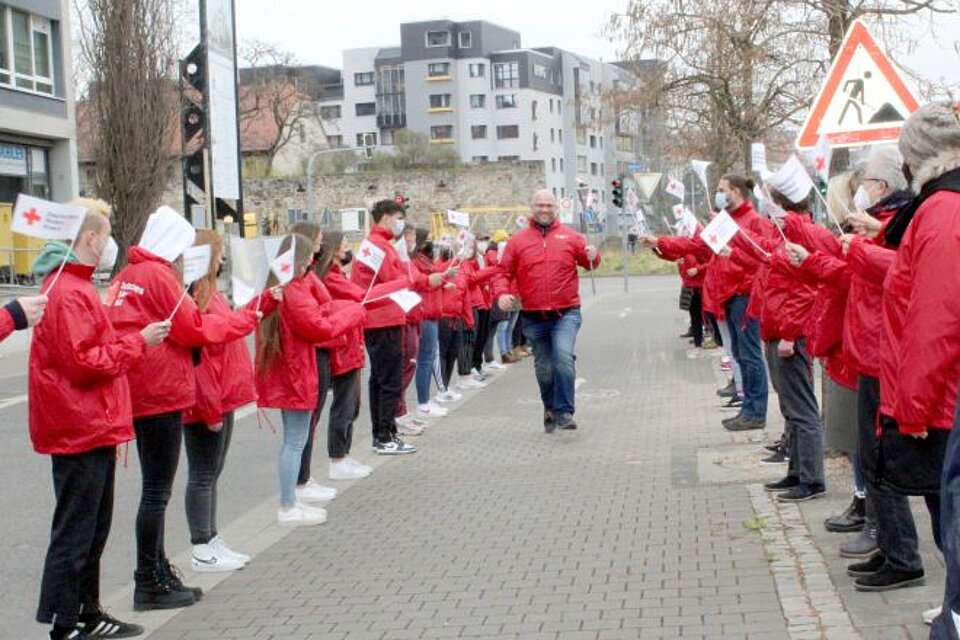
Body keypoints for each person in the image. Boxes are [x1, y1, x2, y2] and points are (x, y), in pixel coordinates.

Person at [30, 198, 169, 640]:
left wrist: (127, 339)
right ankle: (65, 621)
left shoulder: (75, 287)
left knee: (93, 528)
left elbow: (88, 349)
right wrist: (138, 343)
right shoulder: (68, 291)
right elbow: (82, 363)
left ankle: (87, 613)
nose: (111, 243)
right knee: (77, 530)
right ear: (89, 238)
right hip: (78, 427)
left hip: (90, 424)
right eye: (106, 235)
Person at [108, 206, 258, 611]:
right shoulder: (158, 276)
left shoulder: (126, 275)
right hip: (162, 391)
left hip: (141, 389)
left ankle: (157, 571)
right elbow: (196, 329)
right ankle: (149, 580)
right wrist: (248, 320)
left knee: (156, 490)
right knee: (157, 492)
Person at [885, 102, 960, 638]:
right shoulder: (940, 209)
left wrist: (911, 407)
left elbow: (935, 320)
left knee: (951, 525)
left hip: (942, 401)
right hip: (942, 394)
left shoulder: (940, 214)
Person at [182, 230, 277, 573]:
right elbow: (201, 362)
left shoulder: (211, 294)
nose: (222, 260)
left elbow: (235, 325)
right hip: (209, 404)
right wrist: (209, 410)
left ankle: (211, 537)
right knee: (203, 474)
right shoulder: (196, 298)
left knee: (212, 472)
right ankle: (201, 545)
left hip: (223, 399)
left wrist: (265, 302)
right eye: (219, 253)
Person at [256, 234, 366, 524]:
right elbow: (317, 326)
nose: (312, 261)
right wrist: (354, 313)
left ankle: (293, 498)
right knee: (295, 439)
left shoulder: (288, 286)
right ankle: (288, 503)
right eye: (308, 256)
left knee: (297, 437)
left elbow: (320, 313)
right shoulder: (293, 289)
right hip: (295, 371)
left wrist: (344, 310)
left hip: (294, 368)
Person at [493, 189, 600, 432]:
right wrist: (501, 294)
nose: (544, 209)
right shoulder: (517, 241)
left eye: (549, 205)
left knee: (563, 358)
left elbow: (590, 262)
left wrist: (594, 255)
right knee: (544, 367)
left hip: (566, 313)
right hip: (533, 316)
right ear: (531, 207)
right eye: (539, 205)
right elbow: (502, 273)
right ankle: (549, 406)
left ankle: (564, 412)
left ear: (556, 208)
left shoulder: (570, 237)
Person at [351, 199, 442, 454]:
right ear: (385, 218)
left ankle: (384, 433)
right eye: (398, 218)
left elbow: (401, 276)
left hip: (386, 317)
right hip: (383, 319)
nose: (401, 223)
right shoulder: (378, 247)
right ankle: (384, 435)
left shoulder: (381, 245)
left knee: (382, 380)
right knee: (388, 380)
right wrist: (405, 275)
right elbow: (395, 279)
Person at [318, 231, 405, 479]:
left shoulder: (336, 275)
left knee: (352, 404)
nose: (349, 250)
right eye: (345, 245)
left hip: (350, 343)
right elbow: (362, 297)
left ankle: (343, 455)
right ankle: (337, 457)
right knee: (344, 405)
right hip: (342, 346)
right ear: (334, 250)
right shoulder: (330, 277)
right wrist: (400, 283)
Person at [289, 221, 338, 505]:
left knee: (310, 422)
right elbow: (314, 319)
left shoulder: (308, 277)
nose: (320, 246)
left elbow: (324, 306)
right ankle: (298, 482)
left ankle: (303, 477)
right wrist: (344, 315)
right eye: (317, 241)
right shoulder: (301, 281)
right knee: (301, 429)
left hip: (318, 348)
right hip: (312, 350)